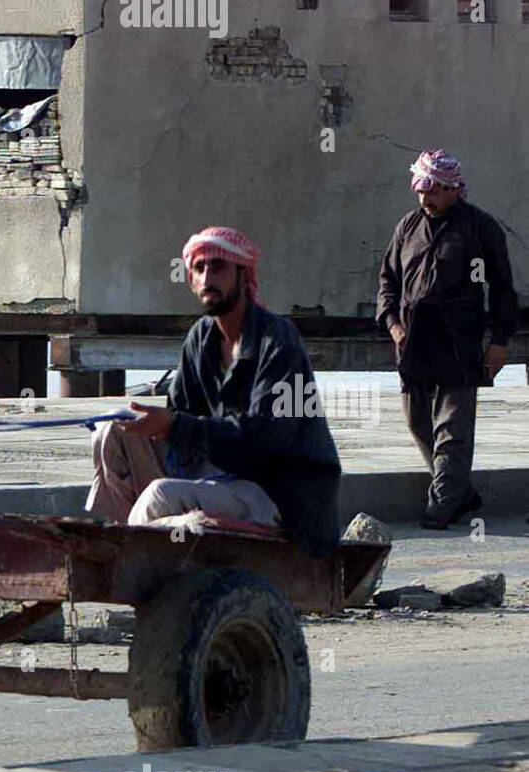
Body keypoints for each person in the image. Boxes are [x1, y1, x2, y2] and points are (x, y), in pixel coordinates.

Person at [86, 226, 342, 557]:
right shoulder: (200, 339)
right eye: (199, 268)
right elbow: (181, 418)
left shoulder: (279, 341)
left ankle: (128, 558)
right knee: (112, 432)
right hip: (217, 476)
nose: (208, 277)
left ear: (243, 275)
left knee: (160, 496)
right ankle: (124, 540)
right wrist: (157, 424)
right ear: (190, 279)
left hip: (276, 493)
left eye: (219, 268)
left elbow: (266, 437)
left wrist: (175, 426)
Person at [377, 149, 519, 529]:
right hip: (413, 342)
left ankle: (443, 505)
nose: (428, 197)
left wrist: (499, 340)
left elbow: (503, 289)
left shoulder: (479, 228)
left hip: (459, 341)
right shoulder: (407, 227)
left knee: (452, 428)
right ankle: (461, 492)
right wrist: (393, 325)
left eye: (437, 190)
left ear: (455, 189)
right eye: (423, 189)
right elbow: (387, 281)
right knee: (417, 422)